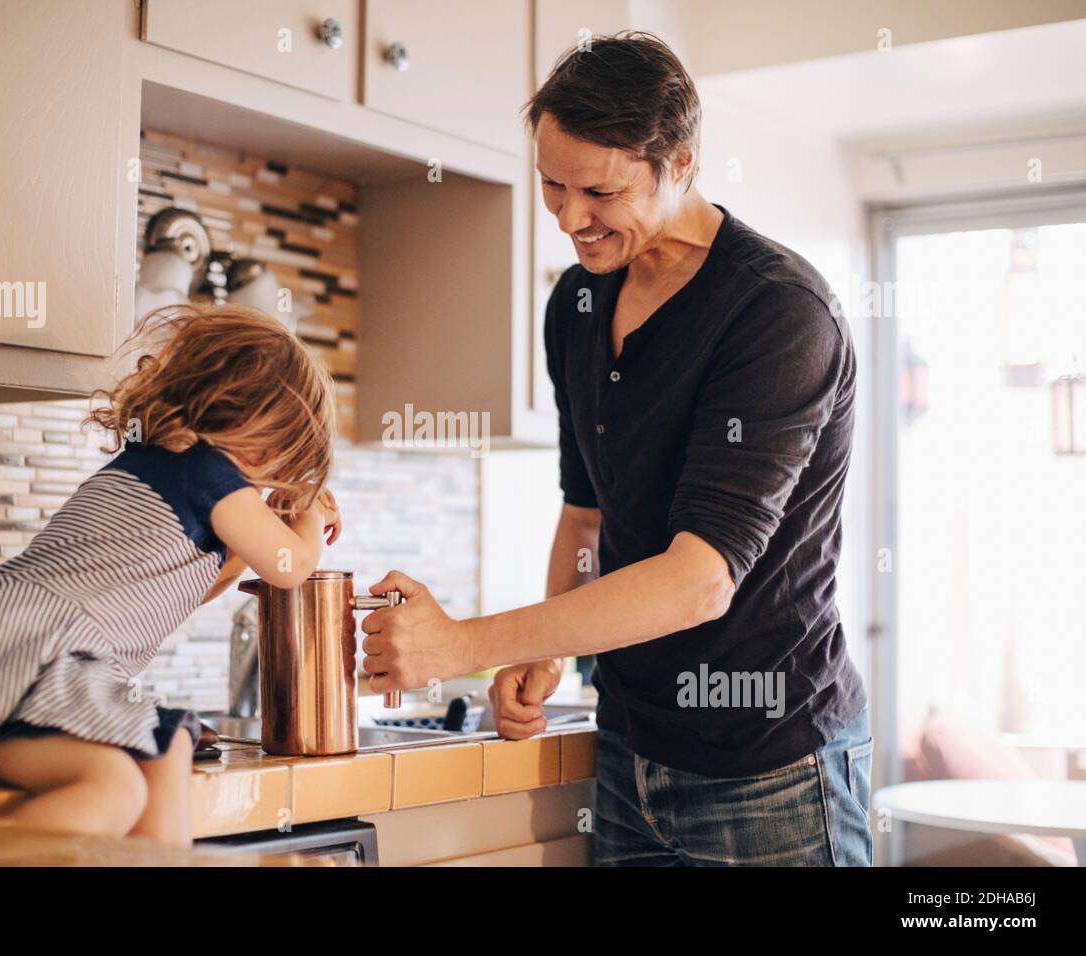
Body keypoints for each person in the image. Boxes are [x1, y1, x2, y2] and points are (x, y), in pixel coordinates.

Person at [361, 33, 872, 866]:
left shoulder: (777, 314)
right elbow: (586, 513)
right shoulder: (579, 303)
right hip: (628, 754)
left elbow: (700, 578)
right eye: (551, 185)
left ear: (681, 162)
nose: (568, 219)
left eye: (599, 190)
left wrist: (464, 643)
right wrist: (543, 647)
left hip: (771, 767)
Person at [0, 305, 342, 848]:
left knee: (166, 748)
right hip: (23, 650)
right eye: (281, 453)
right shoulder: (207, 469)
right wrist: (312, 514)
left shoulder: (158, 463)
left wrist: (258, 540)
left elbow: (181, 590)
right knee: (114, 788)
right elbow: (290, 568)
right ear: (260, 427)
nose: (273, 471)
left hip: (16, 643)